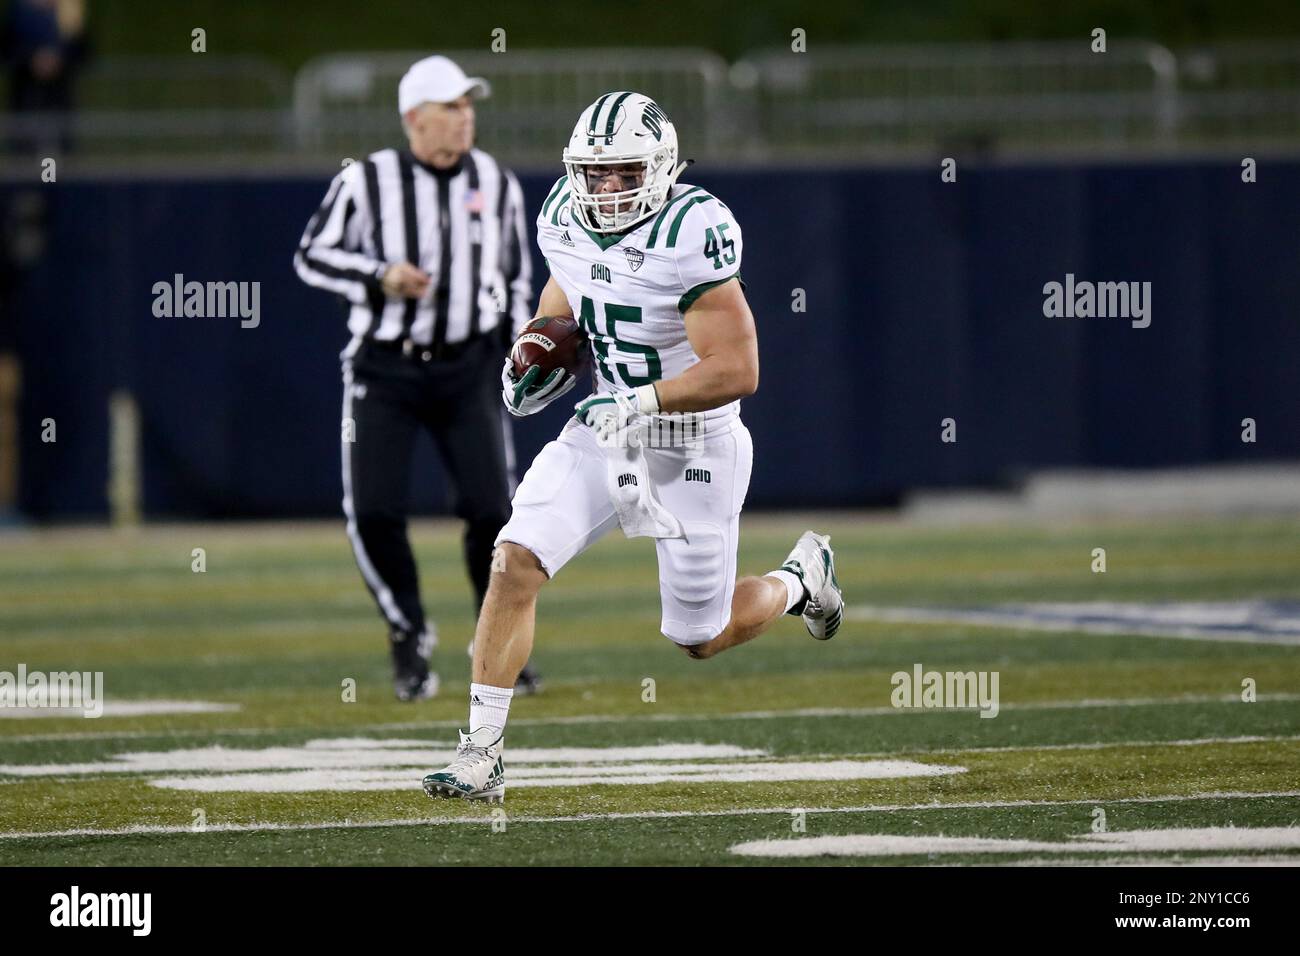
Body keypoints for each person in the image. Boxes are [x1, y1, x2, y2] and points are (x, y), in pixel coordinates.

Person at [421, 91, 843, 802]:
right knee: (514, 559)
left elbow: (738, 370)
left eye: (623, 173)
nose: (607, 188)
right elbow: (570, 289)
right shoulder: (561, 212)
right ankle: (481, 752)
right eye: (595, 173)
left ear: (660, 166)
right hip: (604, 430)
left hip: (694, 442)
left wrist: (640, 399)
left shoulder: (693, 229)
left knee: (700, 638)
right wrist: (533, 350)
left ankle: (801, 579)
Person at [294, 55, 542, 701]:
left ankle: (499, 640)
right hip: (385, 365)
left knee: (493, 511)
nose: (466, 118)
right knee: (373, 510)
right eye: (451, 107)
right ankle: (408, 630)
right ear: (413, 118)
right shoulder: (367, 180)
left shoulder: (496, 180)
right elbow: (311, 254)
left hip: (469, 364)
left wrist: (520, 344)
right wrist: (379, 274)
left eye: (469, 106)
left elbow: (517, 275)